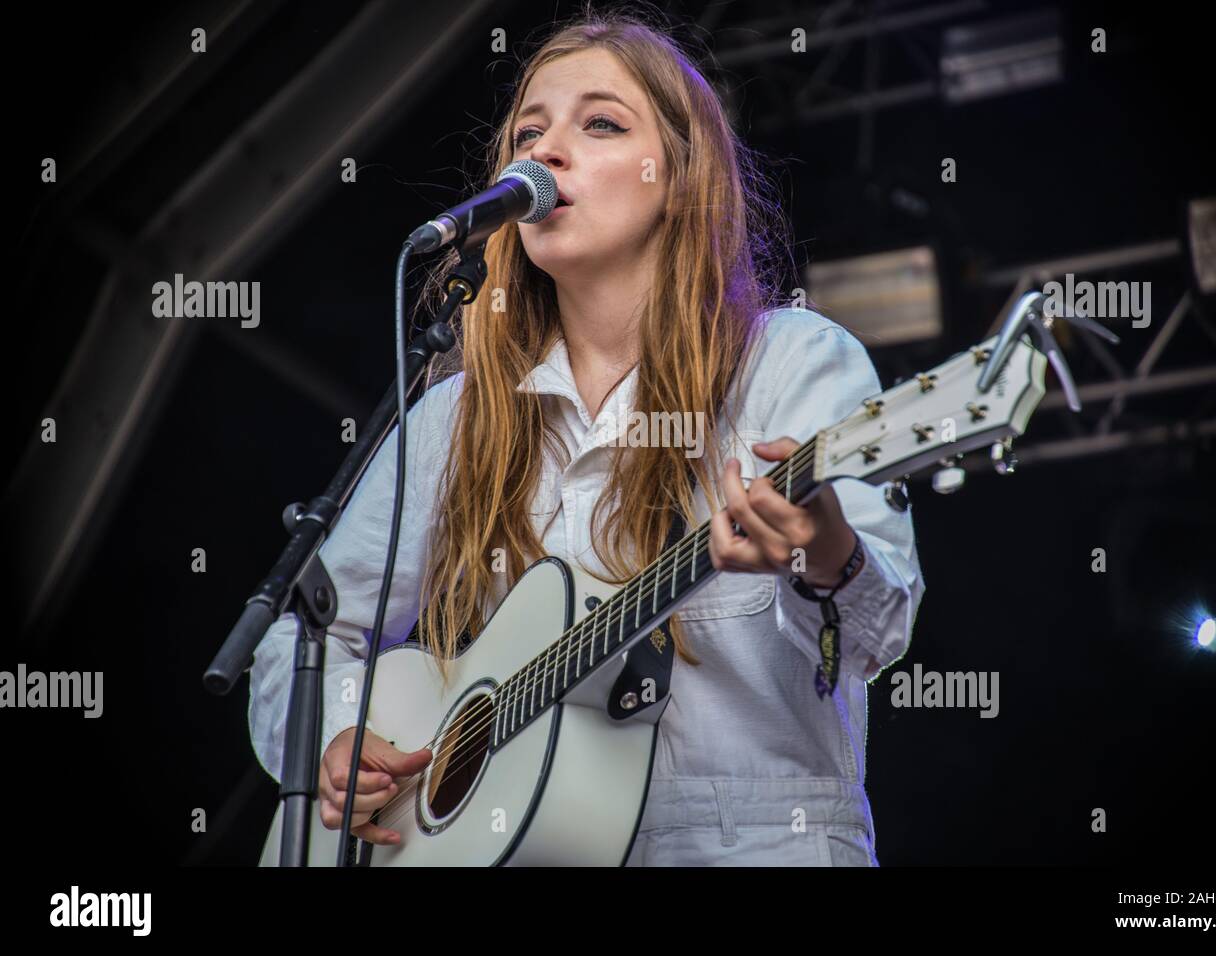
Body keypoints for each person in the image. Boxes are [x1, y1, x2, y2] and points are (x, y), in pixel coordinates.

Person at [248, 9, 924, 866]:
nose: (545, 151)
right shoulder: (455, 420)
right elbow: (302, 632)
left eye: (600, 123)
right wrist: (335, 736)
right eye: (529, 132)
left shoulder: (790, 362)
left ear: (679, 177)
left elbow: (881, 630)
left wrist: (826, 546)